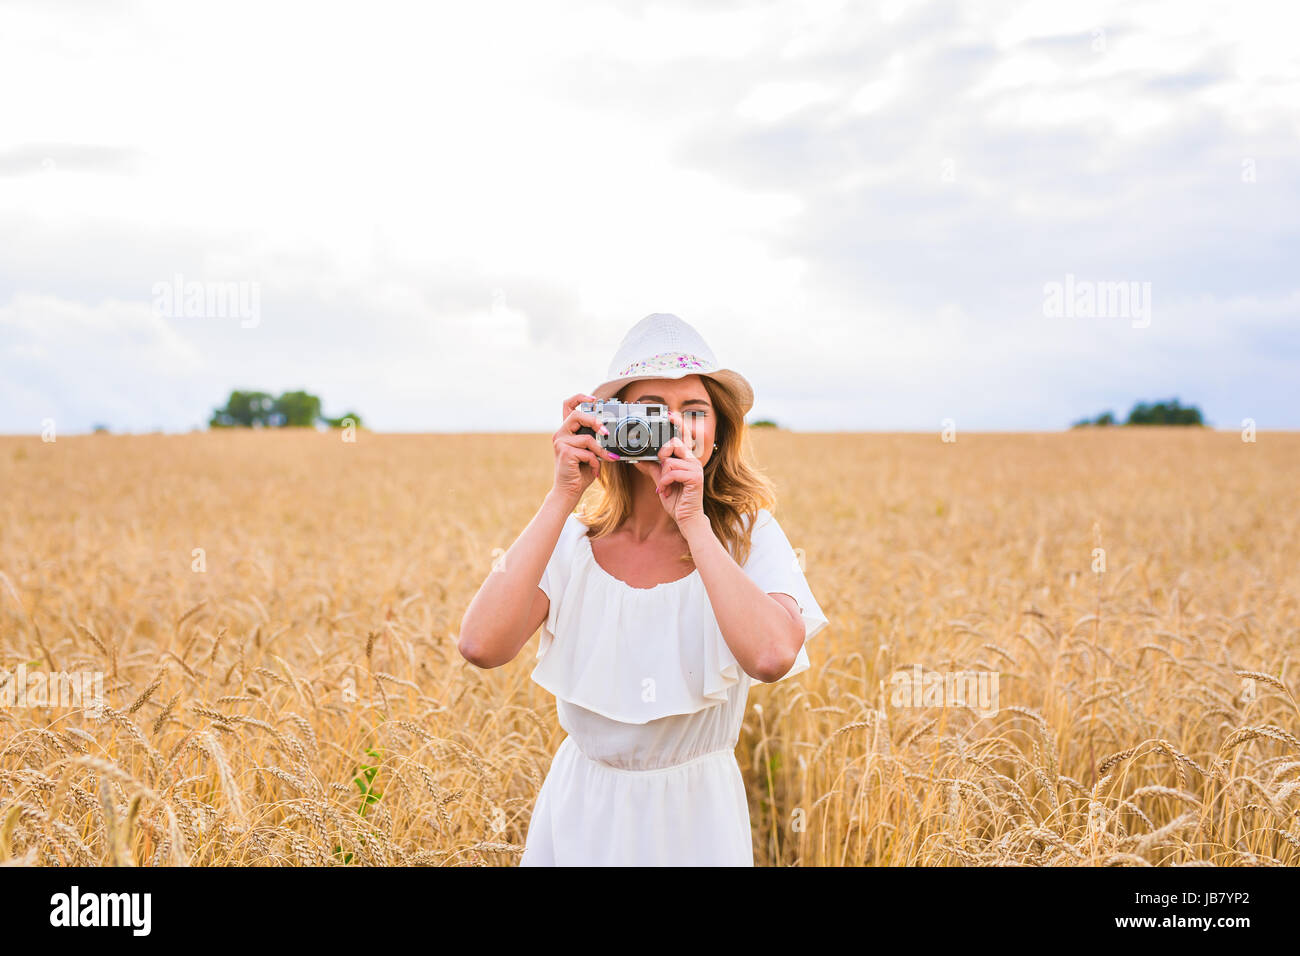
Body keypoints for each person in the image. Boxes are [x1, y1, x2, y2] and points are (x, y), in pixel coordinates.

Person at [457, 312, 829, 865]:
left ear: (718, 432)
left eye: (694, 412)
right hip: (582, 812)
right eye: (652, 413)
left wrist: (693, 520)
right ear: (609, 425)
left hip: (696, 820)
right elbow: (482, 645)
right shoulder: (575, 542)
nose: (674, 427)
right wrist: (563, 494)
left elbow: (773, 654)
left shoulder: (749, 537)